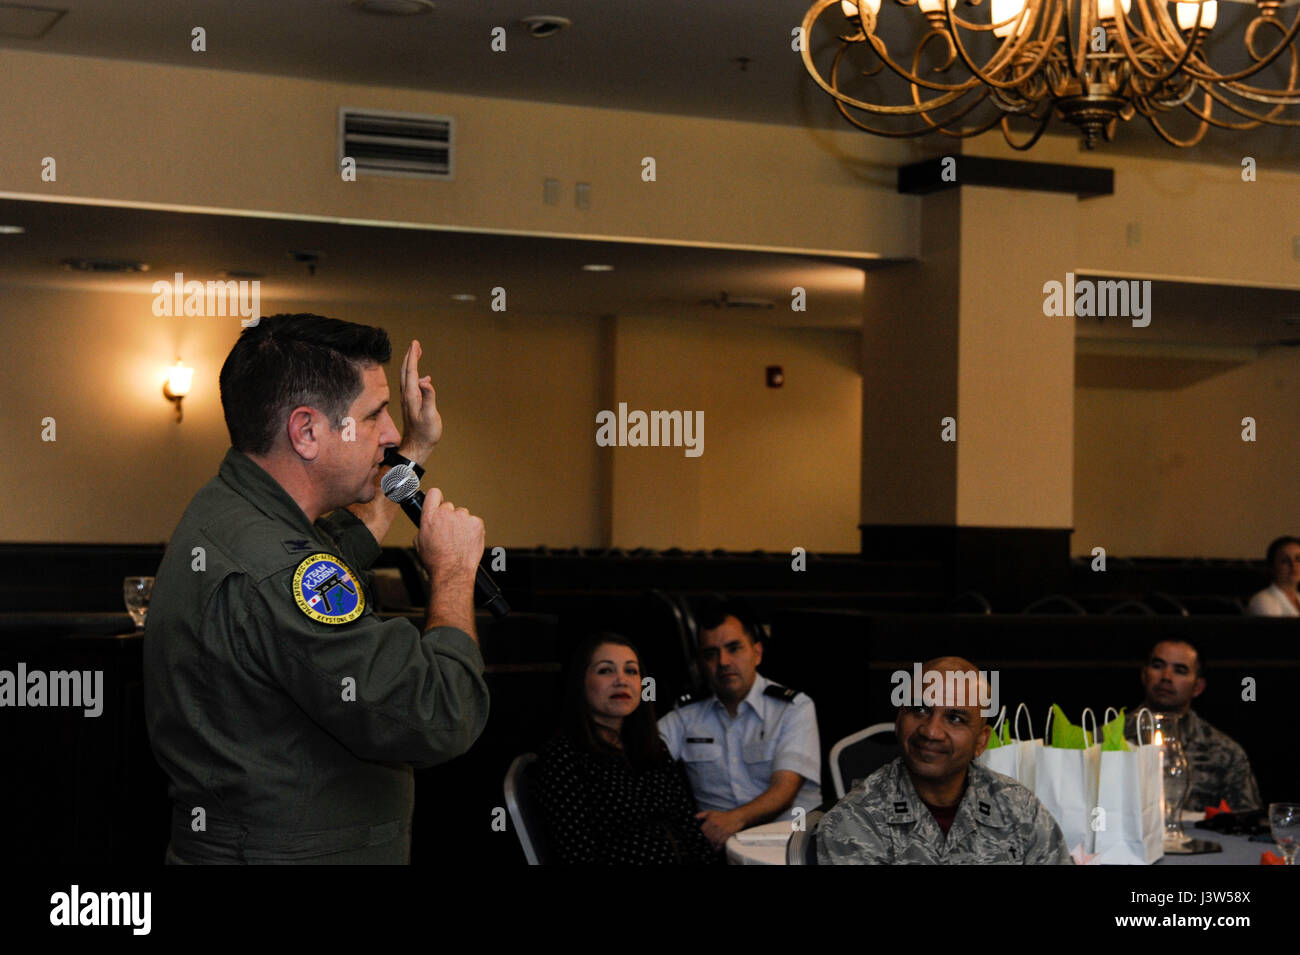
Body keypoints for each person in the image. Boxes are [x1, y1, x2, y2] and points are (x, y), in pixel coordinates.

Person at [144, 314, 491, 864]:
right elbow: (440, 716)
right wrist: (451, 575)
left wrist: (416, 454)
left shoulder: (234, 509)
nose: (392, 432)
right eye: (374, 415)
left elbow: (341, 548)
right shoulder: (279, 570)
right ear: (306, 431)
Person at [818, 657, 1073, 864]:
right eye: (920, 710)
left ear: (981, 741)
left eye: (955, 718)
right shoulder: (855, 820)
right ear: (898, 721)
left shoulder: (1019, 809)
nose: (931, 731)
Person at [533, 633, 718, 864]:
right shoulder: (562, 756)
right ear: (581, 682)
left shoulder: (652, 746)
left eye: (631, 671)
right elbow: (577, 855)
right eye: (605, 670)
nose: (621, 680)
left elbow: (689, 830)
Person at [658, 598, 821, 849]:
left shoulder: (793, 707)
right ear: (701, 664)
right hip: (716, 847)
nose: (723, 662)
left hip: (788, 844)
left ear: (756, 653)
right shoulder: (686, 714)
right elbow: (644, 751)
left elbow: (784, 791)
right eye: (710, 654)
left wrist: (733, 820)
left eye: (734, 648)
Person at [1124, 638, 1261, 812]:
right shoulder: (1105, 741)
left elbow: (1247, 824)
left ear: (1198, 687)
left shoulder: (1223, 752)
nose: (1166, 677)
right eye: (1158, 666)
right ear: (1144, 675)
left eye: (1180, 670)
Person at [1246, 536, 1300, 617]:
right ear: (1272, 566)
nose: (1293, 565)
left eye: (1298, 559)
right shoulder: (1262, 600)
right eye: (1284, 560)